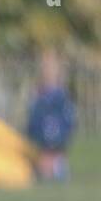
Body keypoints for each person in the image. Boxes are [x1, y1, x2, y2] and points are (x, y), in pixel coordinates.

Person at [27, 52, 75, 182]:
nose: (48, 74)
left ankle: (57, 170)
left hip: (58, 134)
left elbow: (68, 116)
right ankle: (45, 172)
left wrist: (66, 131)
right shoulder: (38, 94)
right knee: (45, 154)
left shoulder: (62, 95)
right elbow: (34, 115)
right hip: (42, 134)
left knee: (55, 155)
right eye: (46, 70)